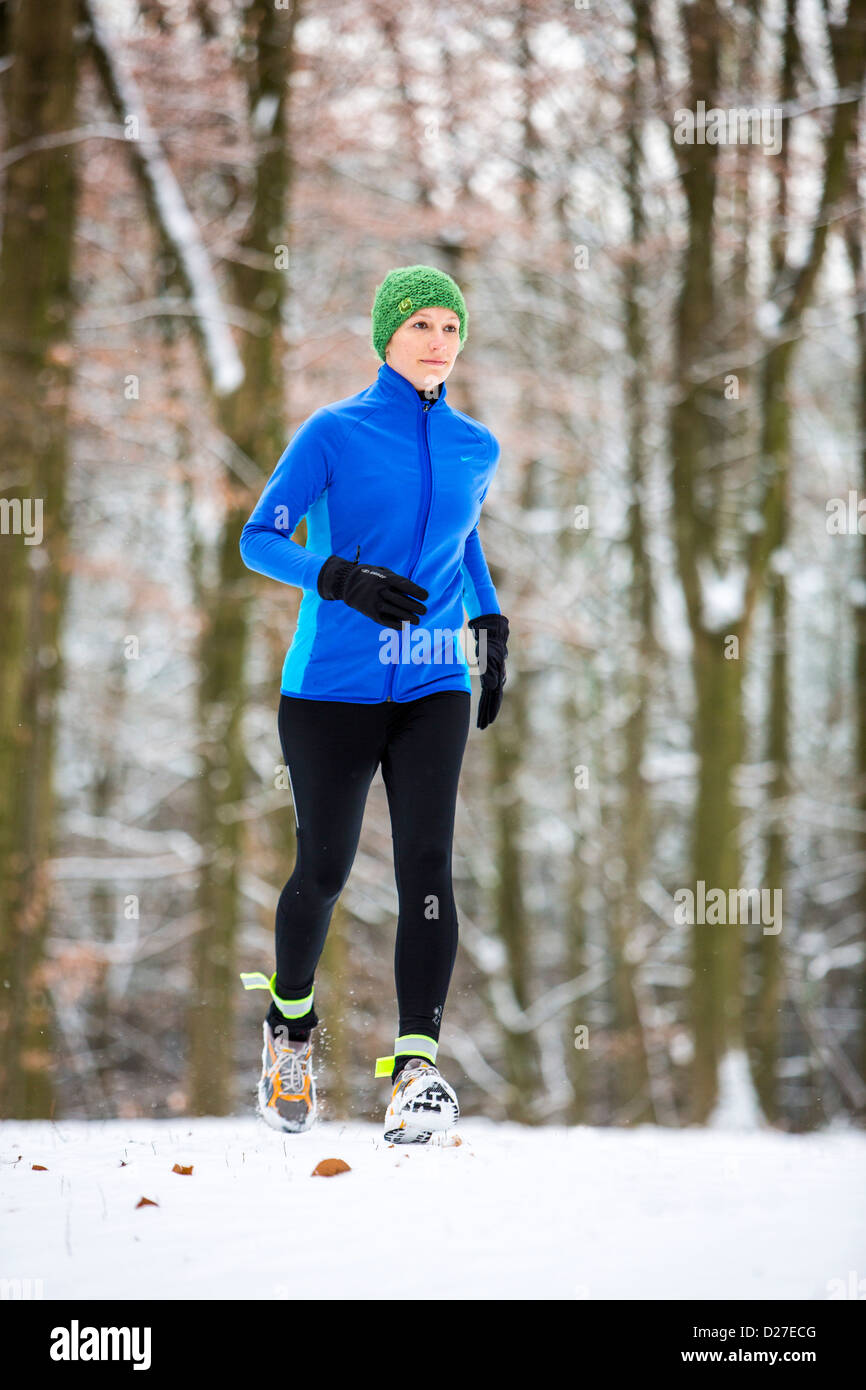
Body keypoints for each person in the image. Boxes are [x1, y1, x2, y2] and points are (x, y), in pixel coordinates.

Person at [237, 265, 509, 1144]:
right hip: (332, 687)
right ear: (387, 334)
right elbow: (258, 539)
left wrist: (489, 617)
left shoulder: (477, 445)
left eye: (451, 327)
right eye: (422, 324)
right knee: (324, 870)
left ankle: (415, 1069)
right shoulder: (334, 431)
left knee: (428, 866)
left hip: (432, 677)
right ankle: (289, 1029)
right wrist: (341, 577)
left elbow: (463, 541)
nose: (439, 340)